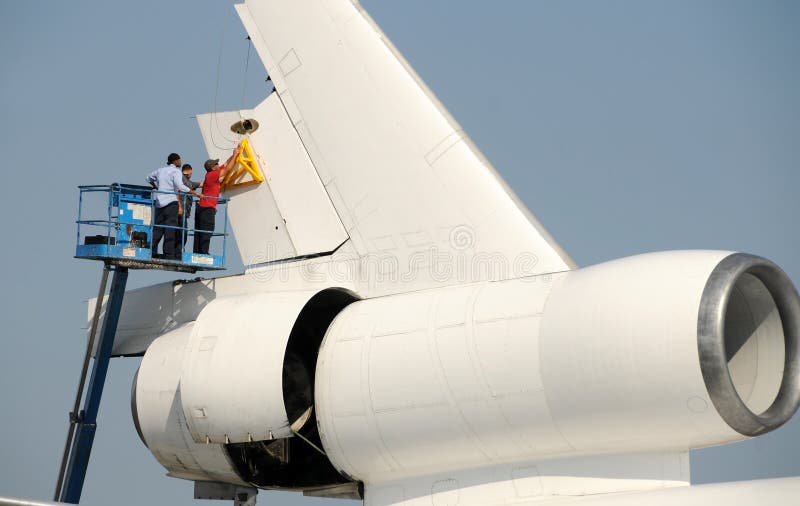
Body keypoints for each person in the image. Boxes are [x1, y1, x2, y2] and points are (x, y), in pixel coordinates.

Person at [147, 153, 202, 260]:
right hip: (171, 204)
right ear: (176, 161)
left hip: (159, 203)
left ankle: (151, 250)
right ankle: (169, 254)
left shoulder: (160, 170)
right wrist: (195, 193)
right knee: (170, 229)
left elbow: (148, 178)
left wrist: (155, 186)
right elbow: (180, 186)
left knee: (158, 229)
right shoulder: (176, 171)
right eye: (179, 160)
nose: (180, 162)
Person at [194, 142, 242, 255]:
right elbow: (227, 170)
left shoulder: (212, 173)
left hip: (203, 207)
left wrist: (234, 153)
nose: (218, 164)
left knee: (201, 231)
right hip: (206, 208)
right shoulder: (212, 175)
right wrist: (235, 156)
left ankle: (198, 252)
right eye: (216, 164)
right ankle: (203, 253)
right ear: (212, 167)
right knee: (207, 229)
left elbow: (225, 164)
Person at [180, 164, 202, 251]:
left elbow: (201, 184)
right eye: (191, 172)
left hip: (183, 212)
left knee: (182, 233)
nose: (191, 173)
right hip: (180, 211)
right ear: (188, 171)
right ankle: (178, 251)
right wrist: (196, 193)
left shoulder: (189, 182)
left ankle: (179, 250)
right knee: (181, 233)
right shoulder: (181, 179)